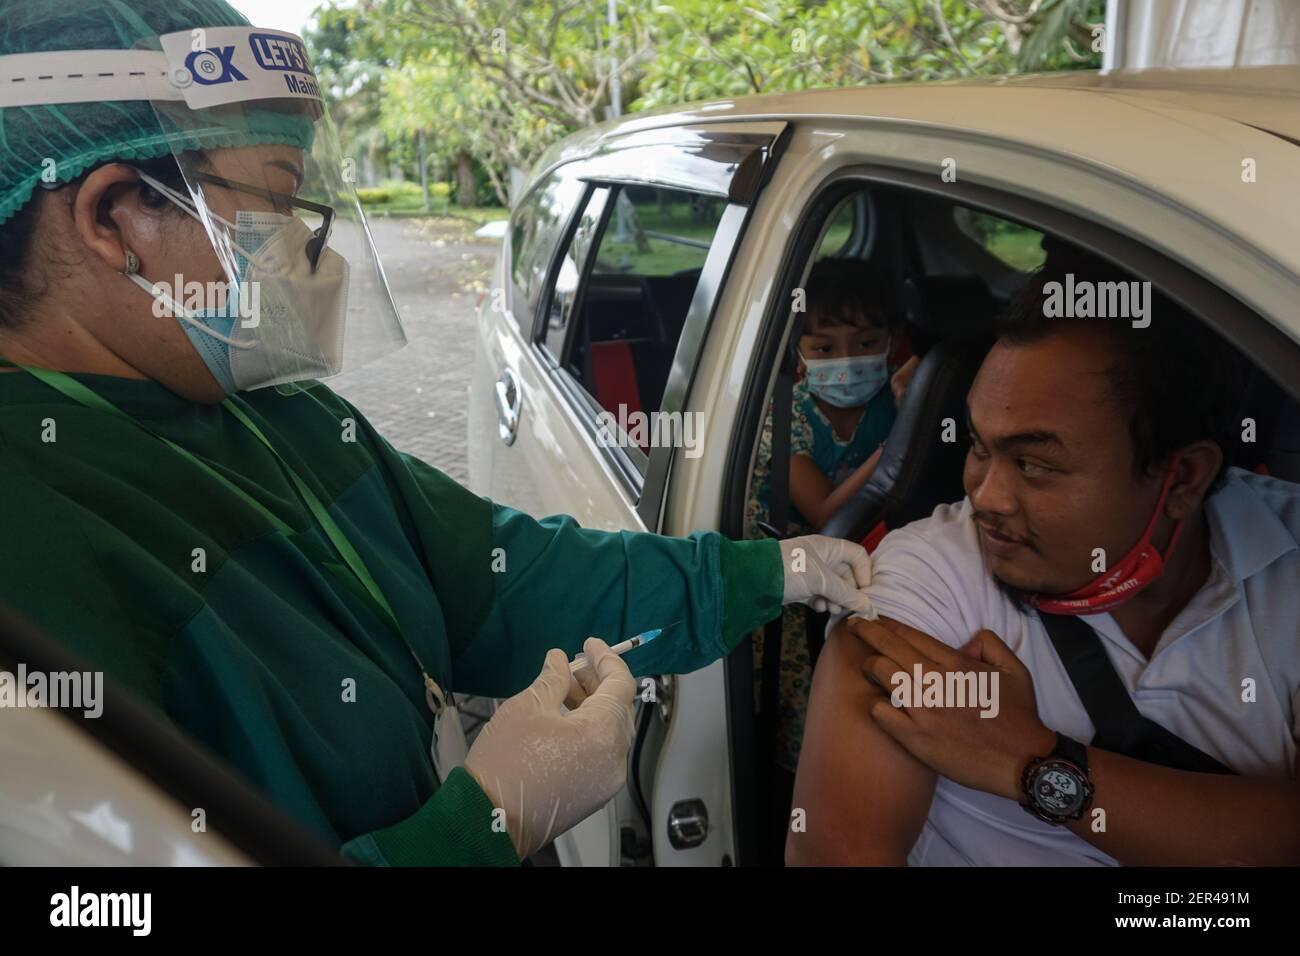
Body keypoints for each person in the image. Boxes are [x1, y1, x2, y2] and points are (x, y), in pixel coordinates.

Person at [0, 0, 876, 866]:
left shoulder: (270, 413)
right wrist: (481, 826)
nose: (314, 246)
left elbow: (486, 572)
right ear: (114, 217)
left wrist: (768, 570)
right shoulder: (33, 558)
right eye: (276, 201)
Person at [789, 254, 1300, 866]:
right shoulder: (926, 574)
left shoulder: (1286, 558)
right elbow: (836, 856)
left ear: (1183, 477)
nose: (985, 497)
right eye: (979, 447)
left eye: (1035, 464)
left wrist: (1031, 762)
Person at [744, 257, 915, 776]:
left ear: (891, 342)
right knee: (801, 696)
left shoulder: (894, 398)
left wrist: (912, 405)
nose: (847, 361)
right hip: (789, 566)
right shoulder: (788, 413)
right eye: (824, 349)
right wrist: (898, 440)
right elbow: (823, 512)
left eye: (866, 344)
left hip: (856, 557)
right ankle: (800, 781)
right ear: (799, 354)